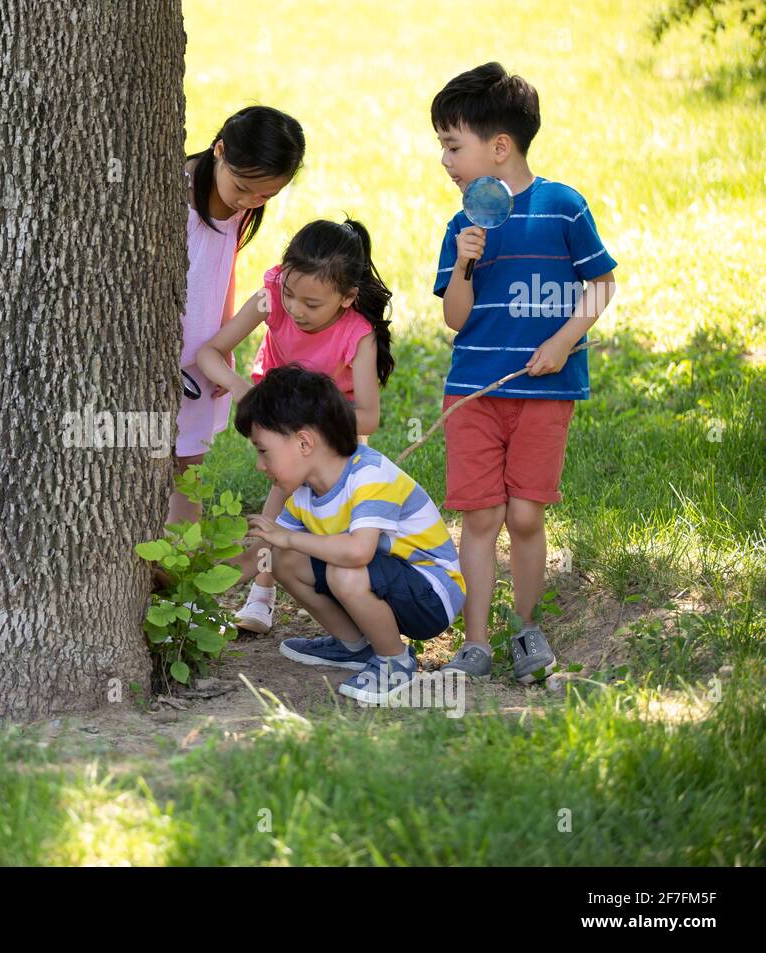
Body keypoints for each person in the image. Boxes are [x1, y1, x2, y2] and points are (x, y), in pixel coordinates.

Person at [431, 62, 618, 683]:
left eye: (453, 146)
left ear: (500, 146)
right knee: (480, 516)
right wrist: (463, 266)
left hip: (546, 391)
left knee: (526, 516)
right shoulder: (464, 225)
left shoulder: (562, 208)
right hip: (472, 394)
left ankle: (527, 628)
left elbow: (601, 283)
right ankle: (477, 640)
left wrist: (564, 342)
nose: (446, 160)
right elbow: (456, 319)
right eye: (443, 148)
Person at [195, 218, 394, 634]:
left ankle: (280, 591)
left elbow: (368, 416)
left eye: (312, 303)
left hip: (335, 427)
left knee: (317, 511)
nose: (297, 310)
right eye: (290, 294)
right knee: (284, 493)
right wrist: (237, 387)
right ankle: (260, 594)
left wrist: (304, 424)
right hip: (283, 419)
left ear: (347, 297)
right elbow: (211, 352)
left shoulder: (358, 335)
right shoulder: (272, 299)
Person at [230, 365, 465, 706]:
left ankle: (394, 662)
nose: (259, 465)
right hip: (382, 580)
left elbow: (358, 552)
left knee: (343, 569)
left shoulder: (369, 476)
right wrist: (191, 582)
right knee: (281, 560)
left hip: (430, 593)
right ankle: (354, 645)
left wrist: (290, 538)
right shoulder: (304, 494)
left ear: (304, 442)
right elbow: (261, 557)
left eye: (263, 450)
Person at [170, 105, 305, 525]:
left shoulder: (242, 208)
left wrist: (223, 346)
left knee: (188, 466)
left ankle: (181, 574)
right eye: (243, 186)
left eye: (265, 195)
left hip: (201, 353)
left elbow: (223, 272)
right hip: (160, 347)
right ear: (220, 150)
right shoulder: (178, 192)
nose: (249, 200)